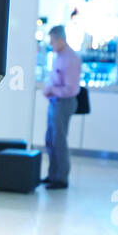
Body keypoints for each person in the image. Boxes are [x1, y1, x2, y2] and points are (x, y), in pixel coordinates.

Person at [42, 24, 81, 189]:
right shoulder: (59, 56)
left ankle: (61, 179)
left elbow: (71, 89)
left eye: (52, 41)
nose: (51, 45)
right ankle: (52, 175)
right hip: (55, 102)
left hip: (64, 103)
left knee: (59, 140)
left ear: (61, 40)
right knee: (50, 139)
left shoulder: (71, 59)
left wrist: (52, 90)